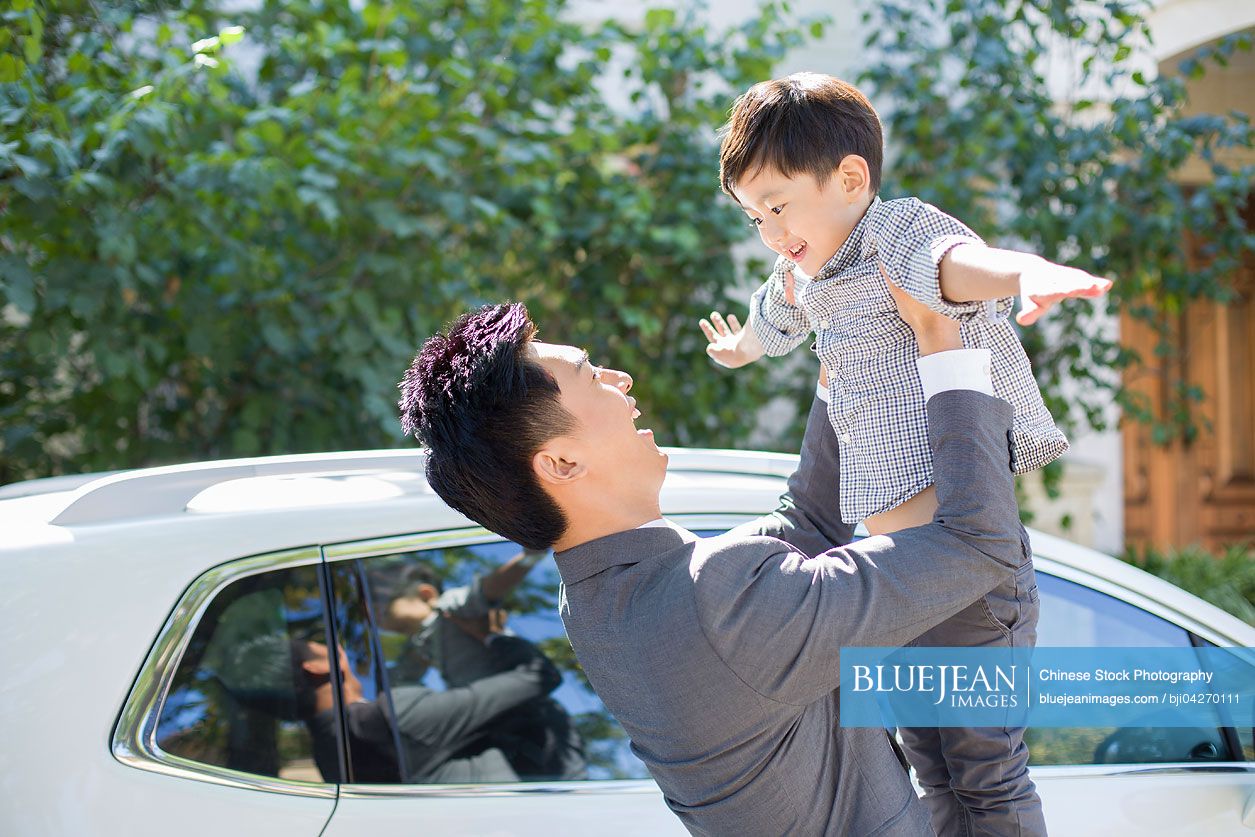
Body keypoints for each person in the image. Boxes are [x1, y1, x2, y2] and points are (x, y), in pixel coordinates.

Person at [396, 290, 1030, 835]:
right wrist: (945, 349)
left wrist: (844, 349)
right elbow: (979, 542)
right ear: (562, 463)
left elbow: (807, 528)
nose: (621, 380)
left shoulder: (596, 602)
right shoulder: (718, 599)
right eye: (592, 375)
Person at [700, 72, 1112, 835]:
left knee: (985, 770)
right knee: (929, 768)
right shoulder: (805, 270)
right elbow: (772, 316)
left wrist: (1031, 273)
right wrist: (740, 347)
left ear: (850, 179)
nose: (768, 232)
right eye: (753, 216)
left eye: (777, 206)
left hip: (968, 580)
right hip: (895, 584)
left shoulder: (893, 233)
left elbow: (957, 262)